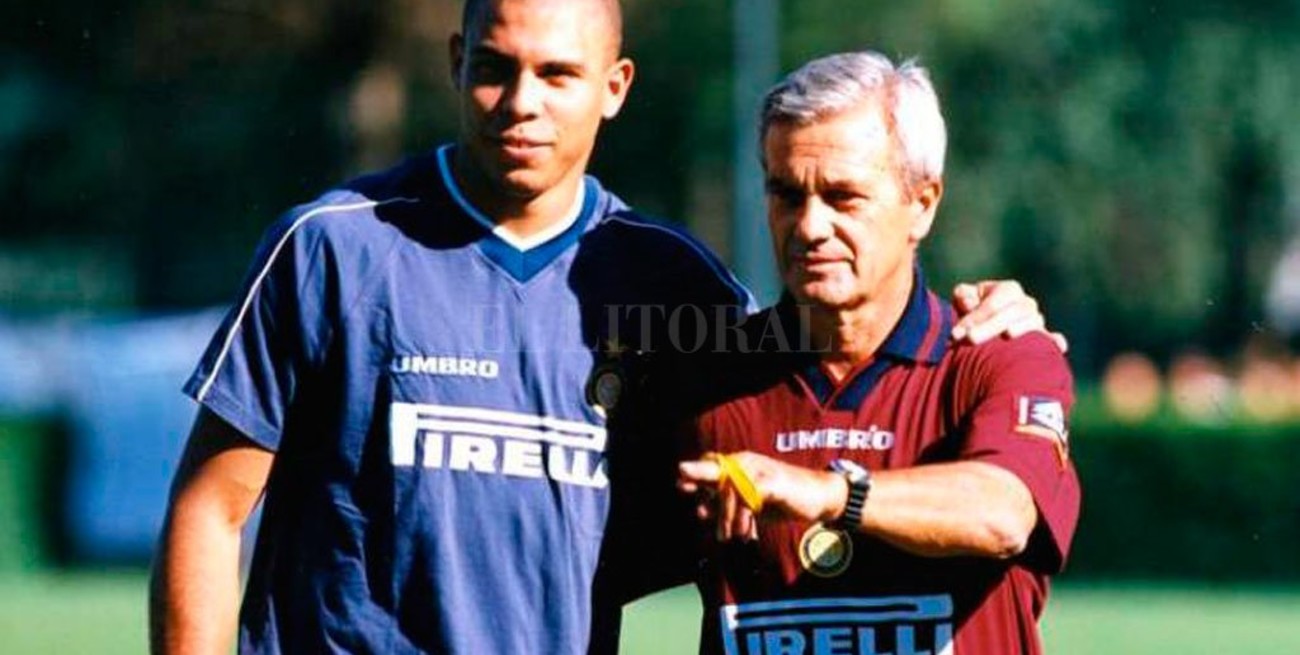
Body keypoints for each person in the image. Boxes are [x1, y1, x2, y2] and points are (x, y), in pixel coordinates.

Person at [148, 1, 1060, 652]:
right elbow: (209, 507)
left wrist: (1001, 325)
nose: (522, 101)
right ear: (457, 59)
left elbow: (985, 496)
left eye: (558, 73)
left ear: (614, 86)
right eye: (498, 66)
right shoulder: (333, 248)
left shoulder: (678, 291)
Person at [678, 51, 1080, 655]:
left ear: (922, 203)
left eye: (843, 198)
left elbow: (1001, 513)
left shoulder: (998, 355)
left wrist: (831, 493)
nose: (809, 226)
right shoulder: (710, 380)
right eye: (786, 194)